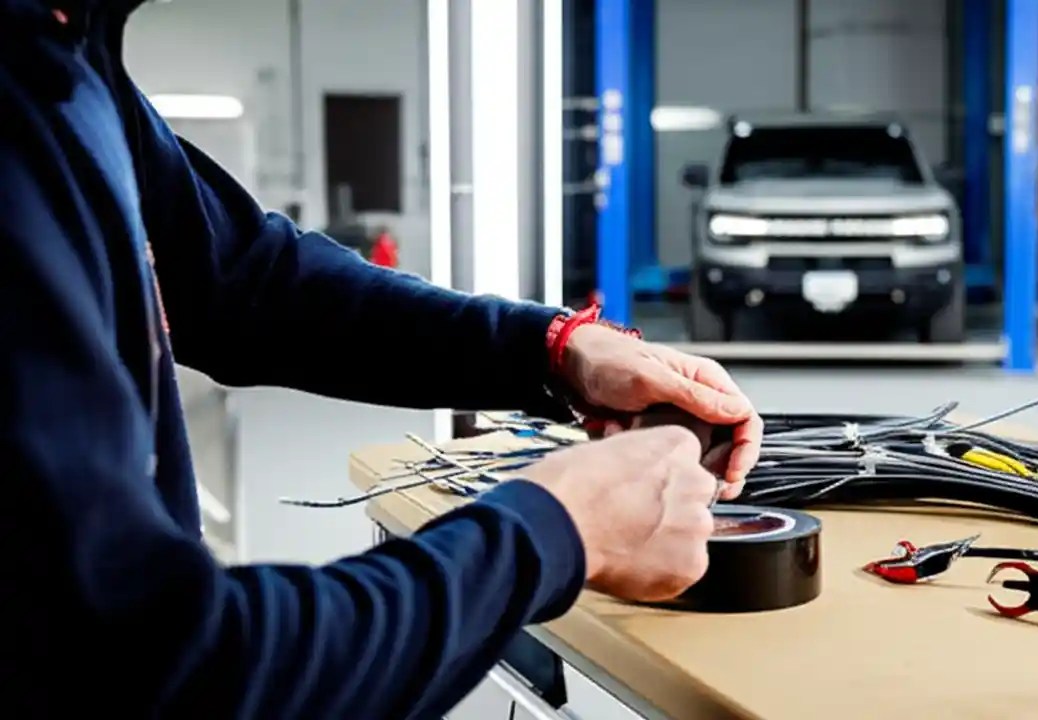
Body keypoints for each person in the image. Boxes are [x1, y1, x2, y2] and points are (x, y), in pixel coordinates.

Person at [0, 2, 763, 717]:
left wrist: (555, 350)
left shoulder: (74, 60)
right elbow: (165, 671)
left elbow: (243, 280)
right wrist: (558, 528)